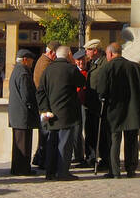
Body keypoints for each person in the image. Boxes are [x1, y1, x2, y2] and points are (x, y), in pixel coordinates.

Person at [91, 42, 140, 178]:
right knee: (132, 140)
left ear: (111, 53)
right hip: (133, 111)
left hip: (114, 110)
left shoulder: (107, 69)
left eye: (107, 54)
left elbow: (101, 90)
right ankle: (131, 169)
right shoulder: (137, 68)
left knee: (114, 140)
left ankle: (114, 171)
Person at [37, 45, 86, 181]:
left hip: (51, 114)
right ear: (69, 54)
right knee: (65, 144)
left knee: (52, 144)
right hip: (66, 114)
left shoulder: (48, 70)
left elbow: (41, 92)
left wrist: (45, 109)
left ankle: (50, 172)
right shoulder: (70, 69)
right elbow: (81, 82)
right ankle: (63, 172)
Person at [7, 48, 39, 176]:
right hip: (23, 114)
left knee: (18, 144)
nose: (32, 64)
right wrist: (33, 107)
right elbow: (27, 95)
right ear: (25, 60)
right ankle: (22, 169)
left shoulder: (16, 71)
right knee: (24, 144)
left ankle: (17, 168)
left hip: (16, 114)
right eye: (31, 61)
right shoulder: (23, 73)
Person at [30, 41, 60, 169]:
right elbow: (46, 86)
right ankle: (43, 160)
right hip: (45, 105)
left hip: (43, 104)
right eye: (56, 54)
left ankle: (41, 159)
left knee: (44, 134)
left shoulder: (43, 61)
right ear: (52, 52)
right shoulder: (46, 64)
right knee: (46, 134)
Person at [82, 38, 109, 173]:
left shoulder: (104, 64)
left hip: (99, 106)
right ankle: (91, 158)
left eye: (88, 50)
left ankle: (104, 160)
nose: (86, 52)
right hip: (91, 105)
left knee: (102, 135)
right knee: (90, 133)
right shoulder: (92, 63)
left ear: (95, 51)